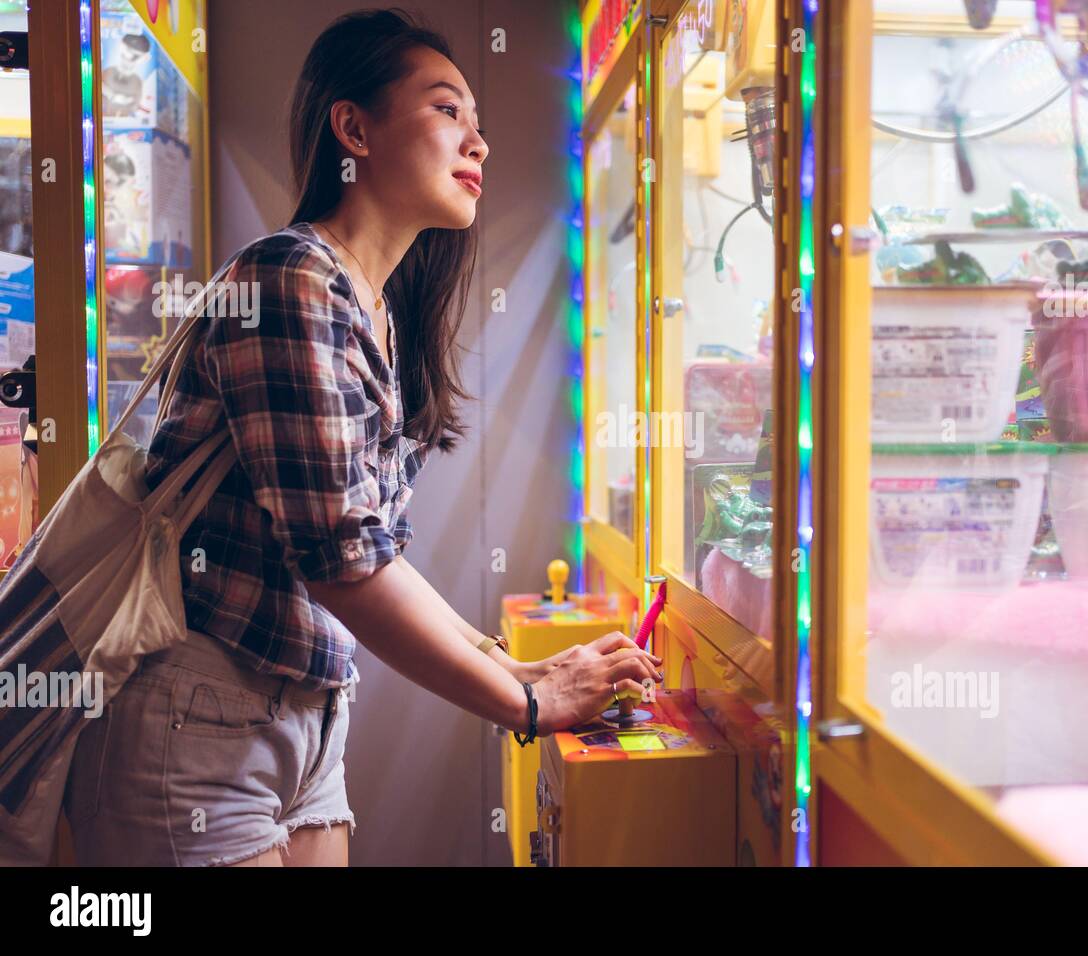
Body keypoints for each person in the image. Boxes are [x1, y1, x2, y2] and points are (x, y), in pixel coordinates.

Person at [64, 8, 660, 867]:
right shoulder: (287, 279)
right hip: (196, 726)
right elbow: (344, 562)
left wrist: (516, 669)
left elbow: (372, 550)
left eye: (479, 124)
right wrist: (525, 707)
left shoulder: (373, 307)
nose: (477, 145)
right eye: (449, 110)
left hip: (310, 719)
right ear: (354, 127)